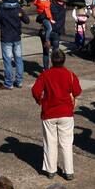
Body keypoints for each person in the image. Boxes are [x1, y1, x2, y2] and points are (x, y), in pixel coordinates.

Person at [32, 47, 82, 180]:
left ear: (52, 61)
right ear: (64, 60)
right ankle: (69, 171)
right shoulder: (70, 74)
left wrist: (41, 101)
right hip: (66, 112)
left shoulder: (45, 74)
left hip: (49, 112)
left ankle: (51, 170)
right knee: (66, 143)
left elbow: (36, 91)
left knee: (50, 142)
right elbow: (77, 91)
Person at [0, 0, 29, 91]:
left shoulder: (2, 9)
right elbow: (27, 20)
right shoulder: (18, 9)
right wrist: (21, 13)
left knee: (7, 61)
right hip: (17, 37)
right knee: (19, 59)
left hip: (6, 38)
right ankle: (19, 81)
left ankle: (8, 83)